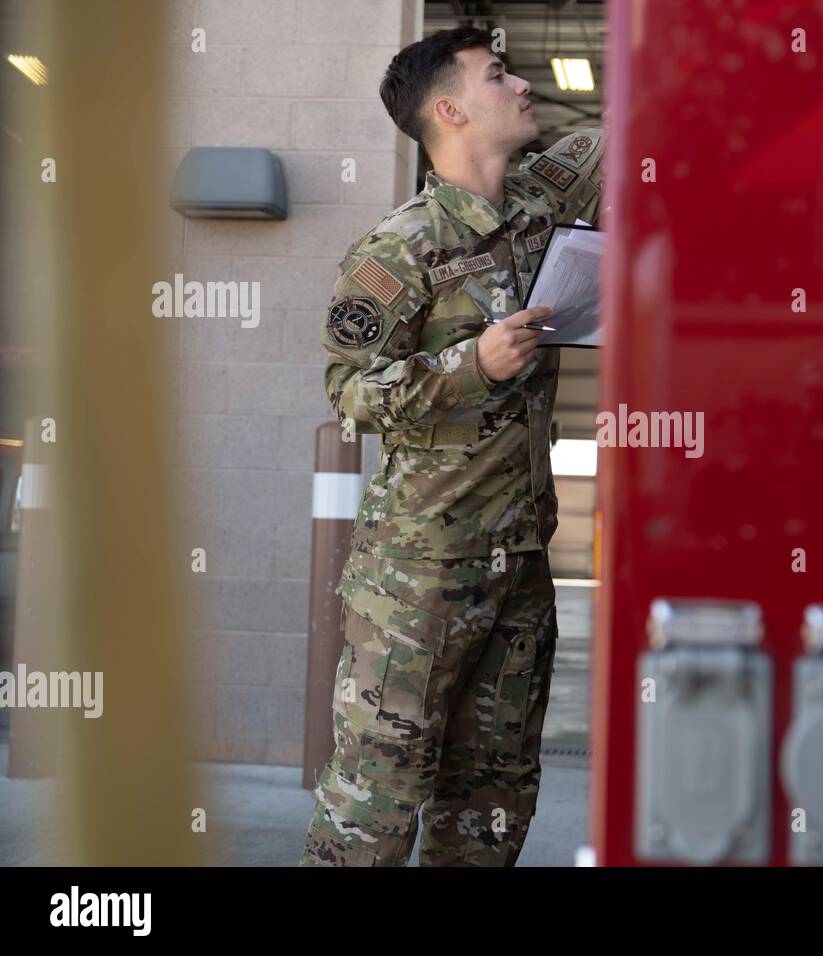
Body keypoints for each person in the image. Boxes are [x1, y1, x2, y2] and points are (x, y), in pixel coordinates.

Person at [298, 26, 603, 867]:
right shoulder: (399, 249)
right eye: (498, 75)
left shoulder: (545, 201)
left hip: (519, 566)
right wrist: (473, 364)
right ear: (450, 110)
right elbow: (349, 389)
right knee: (374, 809)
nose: (522, 85)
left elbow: (632, 137)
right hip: (418, 581)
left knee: (493, 806)